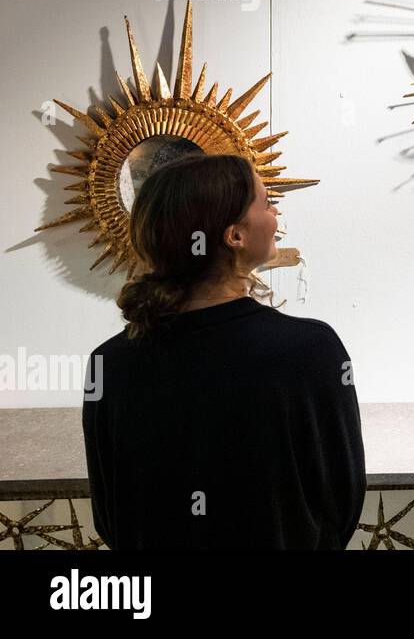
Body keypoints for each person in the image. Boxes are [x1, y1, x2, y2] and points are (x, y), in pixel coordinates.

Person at [82, 152, 365, 549]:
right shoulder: (310, 350)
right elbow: (341, 502)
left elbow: (112, 517)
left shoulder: (108, 364)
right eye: (266, 201)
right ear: (235, 236)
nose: (276, 211)